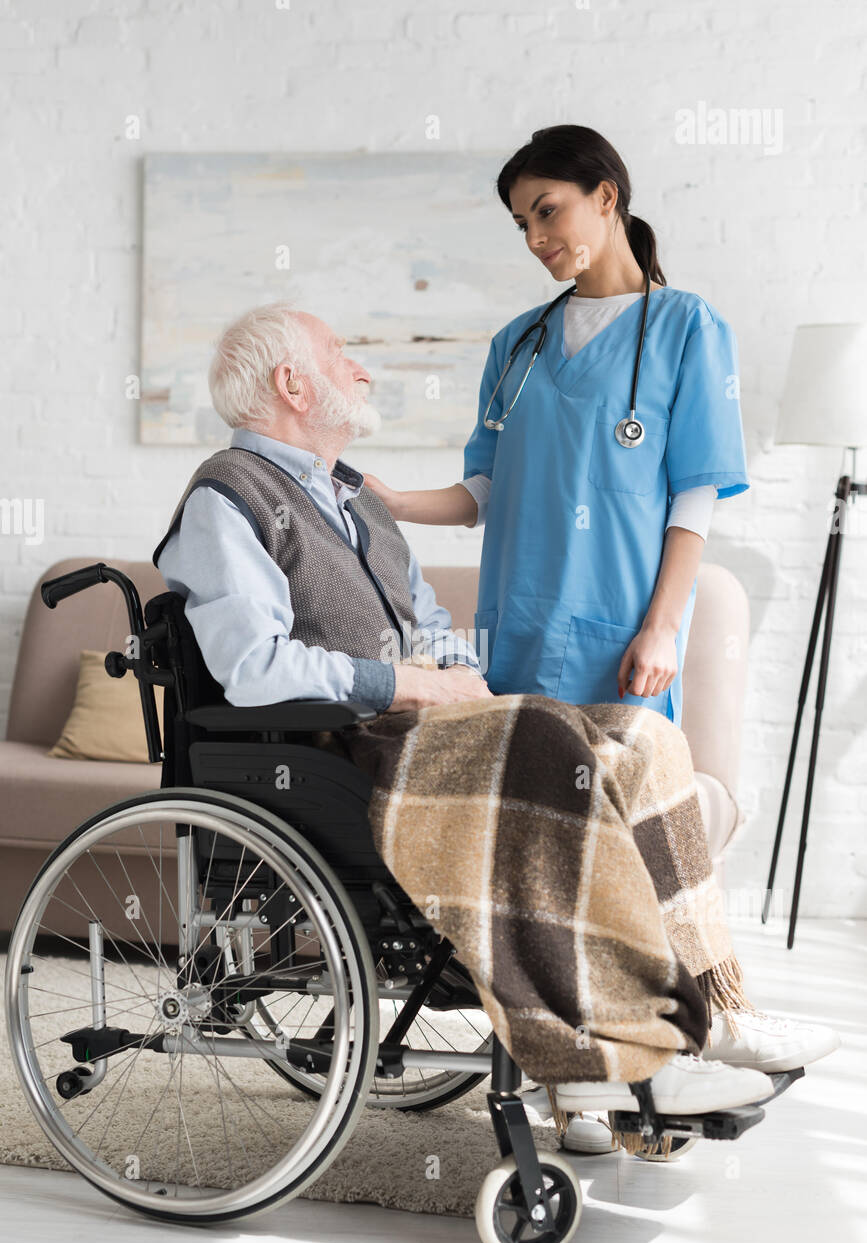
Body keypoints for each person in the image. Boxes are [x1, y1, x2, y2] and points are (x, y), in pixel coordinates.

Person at [153, 302, 838, 1139]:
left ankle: (709, 1004)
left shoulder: (353, 498)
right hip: (337, 750)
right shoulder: (227, 499)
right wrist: (408, 683)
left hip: (421, 729)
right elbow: (251, 669)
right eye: (342, 354)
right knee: (549, 744)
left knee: (643, 736)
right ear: (291, 383)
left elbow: (426, 622)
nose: (361, 368)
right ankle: (615, 1059)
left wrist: (458, 674)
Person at [363, 124, 749, 730]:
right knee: (515, 810)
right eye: (522, 225)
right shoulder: (516, 343)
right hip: (515, 624)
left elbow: (694, 499)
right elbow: (487, 489)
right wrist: (394, 502)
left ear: (605, 196)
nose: (536, 238)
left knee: (613, 808)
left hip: (620, 635)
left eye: (547, 211)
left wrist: (662, 630)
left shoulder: (688, 328)